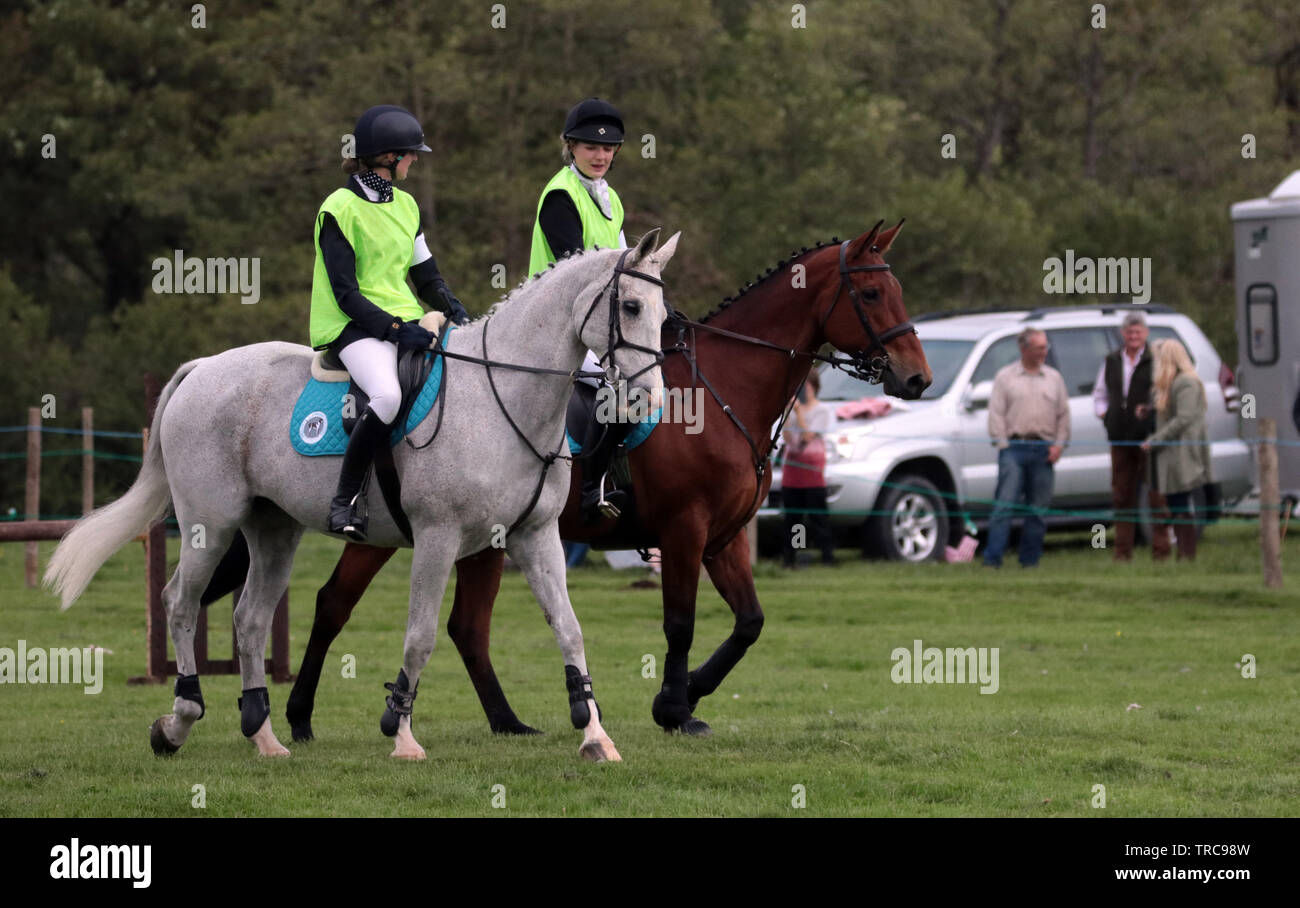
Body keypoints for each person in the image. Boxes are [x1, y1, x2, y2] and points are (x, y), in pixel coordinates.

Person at [311, 104, 470, 541]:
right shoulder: (339, 209)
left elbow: (426, 277)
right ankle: (345, 500)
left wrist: (458, 312)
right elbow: (346, 294)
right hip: (350, 326)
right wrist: (399, 332)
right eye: (410, 154)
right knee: (386, 396)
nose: (415, 161)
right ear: (388, 157)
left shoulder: (406, 205)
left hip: (399, 316)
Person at [528, 97, 633, 522]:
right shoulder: (560, 195)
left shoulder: (610, 198)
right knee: (625, 384)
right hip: (554, 324)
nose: (601, 155)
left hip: (592, 322)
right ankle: (593, 484)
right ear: (571, 146)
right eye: (591, 146)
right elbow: (576, 273)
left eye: (608, 149)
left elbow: (628, 264)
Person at [983, 328, 1070, 568]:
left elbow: (1063, 416)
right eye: (1040, 347)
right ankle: (993, 560)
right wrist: (1003, 445)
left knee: (1038, 511)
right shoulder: (1005, 377)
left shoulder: (1054, 378)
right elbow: (996, 414)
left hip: (1044, 450)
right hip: (1014, 449)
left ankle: (1030, 562)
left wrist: (1059, 446)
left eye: (1045, 347)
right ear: (1024, 349)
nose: (1045, 352)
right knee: (1004, 507)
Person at [1093, 311, 1170, 560]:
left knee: (1156, 495)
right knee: (1121, 494)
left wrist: (1149, 415)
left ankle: (1161, 551)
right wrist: (1106, 415)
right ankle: (1122, 552)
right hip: (1119, 437)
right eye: (1129, 332)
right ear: (1123, 334)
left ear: (1145, 334)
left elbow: (1164, 395)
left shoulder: (1155, 360)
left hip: (1148, 437)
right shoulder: (1111, 360)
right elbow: (1100, 394)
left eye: (1138, 332)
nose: (1133, 336)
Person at [1141, 339, 1211, 560]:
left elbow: (1183, 418)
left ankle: (1186, 553)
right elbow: (1171, 412)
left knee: (1181, 502)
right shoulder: (1172, 384)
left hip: (1183, 453)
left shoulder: (1186, 382)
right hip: (1171, 453)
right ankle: (1183, 552)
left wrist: (1156, 440)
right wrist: (1151, 411)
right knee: (1175, 501)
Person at [781, 371, 836, 567]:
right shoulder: (794, 410)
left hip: (812, 469)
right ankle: (794, 555)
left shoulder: (822, 411)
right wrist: (788, 414)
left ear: (814, 387)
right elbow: (788, 439)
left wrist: (799, 412)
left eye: (807, 386)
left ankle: (827, 556)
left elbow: (807, 437)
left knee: (818, 516)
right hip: (792, 469)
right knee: (793, 517)